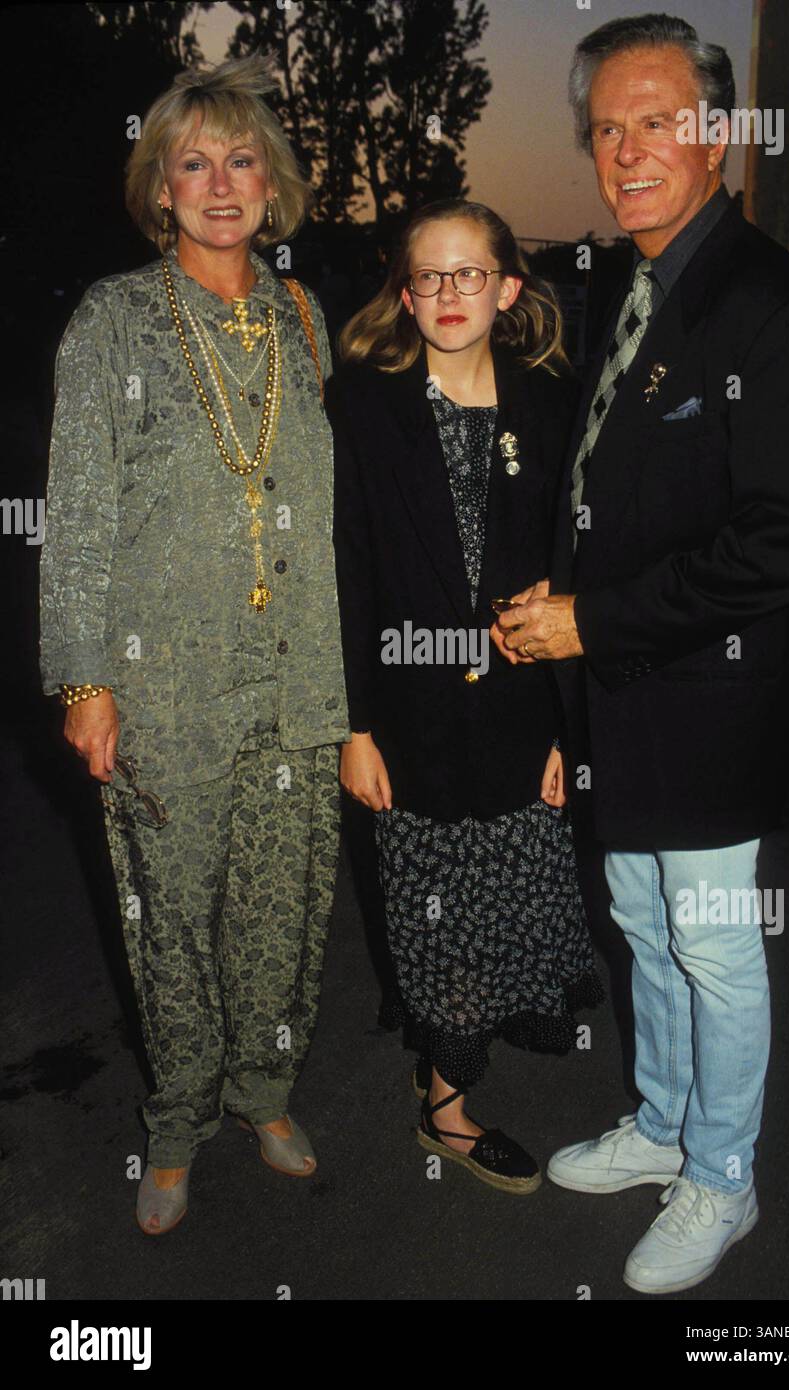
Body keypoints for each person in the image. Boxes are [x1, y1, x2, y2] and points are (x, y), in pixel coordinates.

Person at [492, 13, 789, 1287]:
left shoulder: (771, 304)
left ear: (717, 132)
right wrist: (570, 590)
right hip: (622, 694)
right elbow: (623, 481)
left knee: (710, 944)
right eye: (607, 128)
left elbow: (777, 545)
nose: (629, 150)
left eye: (660, 121)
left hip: (708, 699)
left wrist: (594, 618)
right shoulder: (628, 282)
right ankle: (660, 1125)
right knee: (642, 928)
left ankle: (724, 1179)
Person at [39, 56, 349, 1236]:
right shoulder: (112, 319)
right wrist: (86, 680)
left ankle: (264, 1091)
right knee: (167, 914)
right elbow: (76, 517)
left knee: (282, 906)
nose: (221, 183)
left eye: (242, 160)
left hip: (298, 680)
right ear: (160, 190)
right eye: (194, 163)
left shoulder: (304, 316)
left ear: (271, 186)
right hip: (161, 681)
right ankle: (175, 1118)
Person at [327, 199, 603, 1195]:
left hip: (517, 715)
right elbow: (350, 572)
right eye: (429, 277)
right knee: (438, 919)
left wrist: (557, 731)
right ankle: (446, 1112)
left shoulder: (549, 397)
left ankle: (444, 1086)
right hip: (407, 719)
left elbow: (562, 568)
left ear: (509, 290)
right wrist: (355, 727)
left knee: (504, 910)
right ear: (405, 295)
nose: (449, 294)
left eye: (470, 274)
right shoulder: (361, 403)